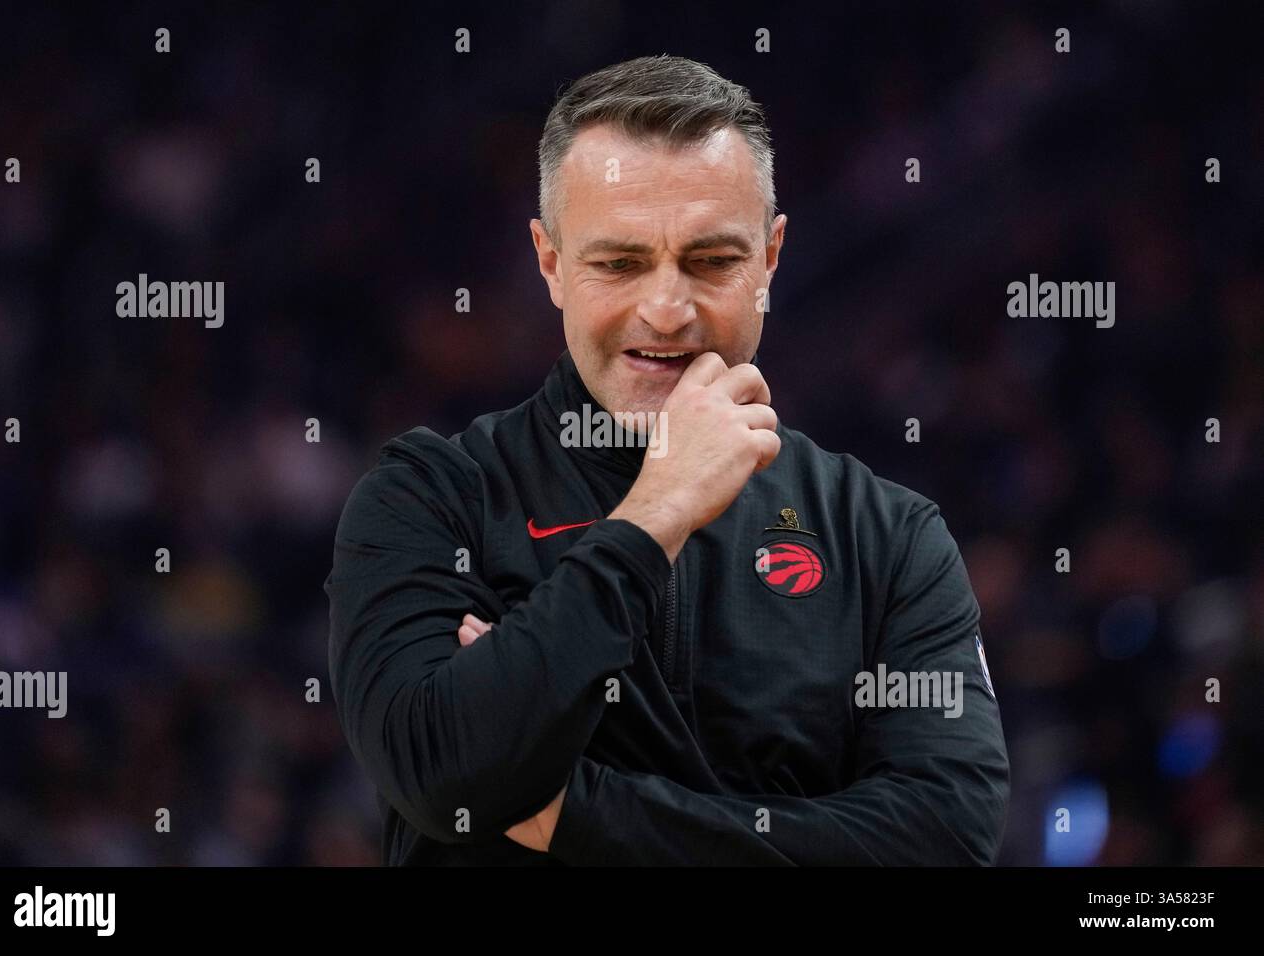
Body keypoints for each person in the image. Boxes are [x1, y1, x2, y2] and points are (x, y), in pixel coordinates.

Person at [325, 54, 1010, 865]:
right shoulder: (432, 499)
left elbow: (948, 840)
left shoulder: (888, 536)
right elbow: (446, 779)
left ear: (771, 258)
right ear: (549, 263)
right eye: (618, 263)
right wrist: (656, 513)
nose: (667, 309)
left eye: (712, 262)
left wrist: (579, 812)